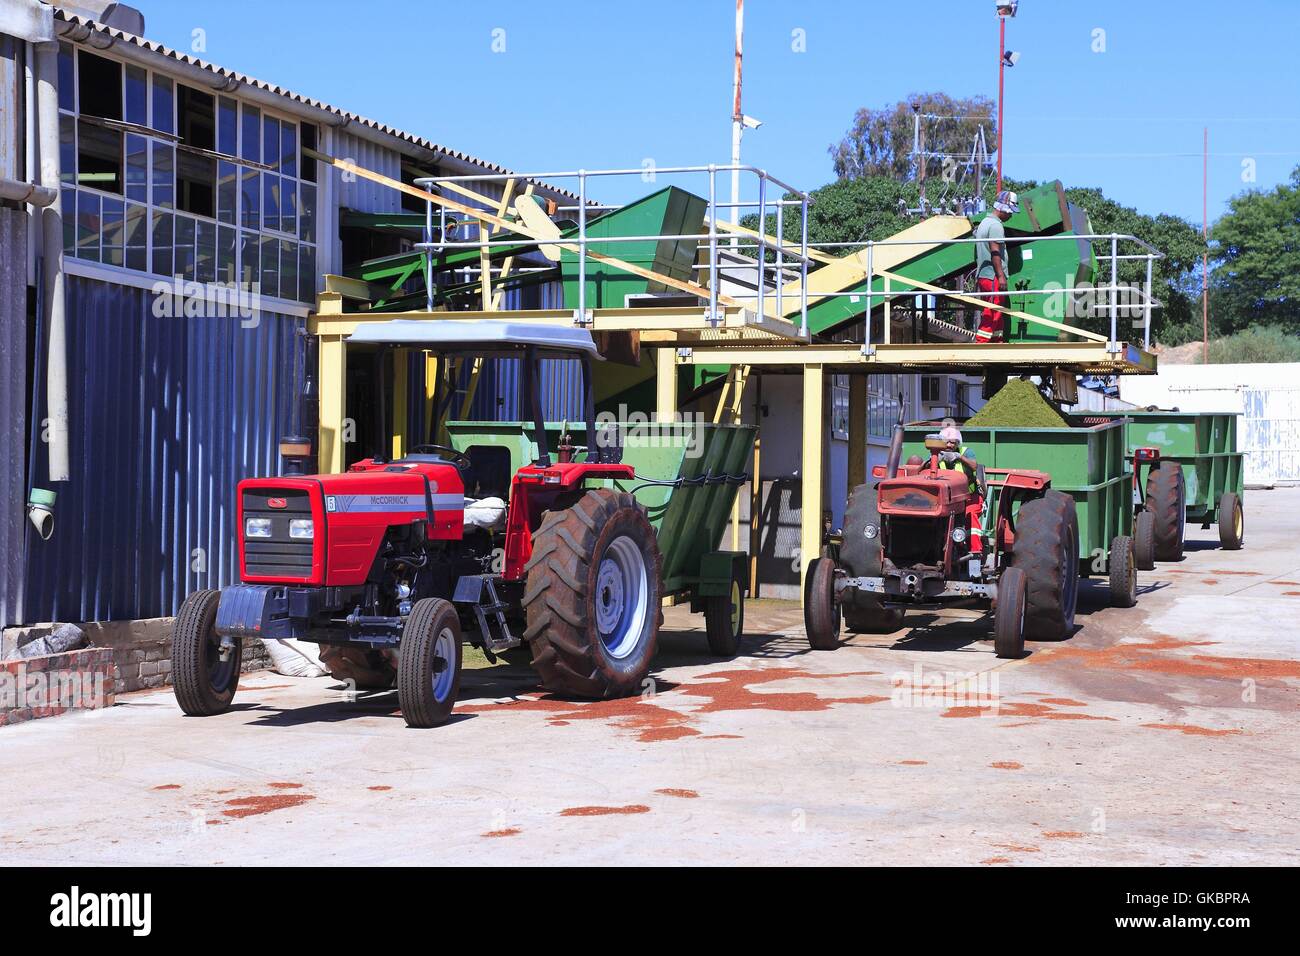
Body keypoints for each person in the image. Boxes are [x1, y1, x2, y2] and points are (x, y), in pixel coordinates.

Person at [973, 189, 1019, 343]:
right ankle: (981, 342)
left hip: (985, 275)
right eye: (1010, 211)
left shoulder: (985, 223)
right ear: (1004, 208)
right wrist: (1001, 276)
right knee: (992, 310)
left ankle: (997, 341)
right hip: (993, 276)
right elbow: (995, 252)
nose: (1011, 215)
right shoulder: (996, 226)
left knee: (996, 310)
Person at [936, 424, 984, 553]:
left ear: (958, 443)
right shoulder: (936, 454)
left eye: (953, 442)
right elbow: (922, 472)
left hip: (970, 498)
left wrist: (959, 457)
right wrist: (933, 460)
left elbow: (974, 466)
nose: (950, 445)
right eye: (947, 442)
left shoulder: (966, 452)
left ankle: (975, 554)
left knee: (971, 518)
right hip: (946, 502)